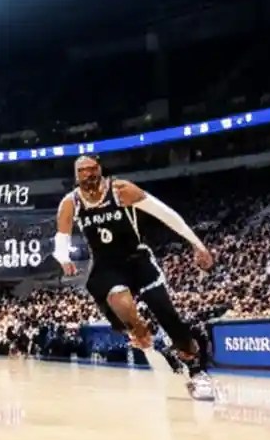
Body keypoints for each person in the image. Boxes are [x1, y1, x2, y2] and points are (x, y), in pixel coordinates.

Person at [53, 155, 216, 401]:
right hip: (107, 266)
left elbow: (166, 214)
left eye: (92, 169)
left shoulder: (122, 191)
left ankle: (195, 370)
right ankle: (144, 335)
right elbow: (61, 237)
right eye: (82, 171)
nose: (88, 174)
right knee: (119, 301)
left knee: (167, 314)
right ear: (76, 176)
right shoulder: (71, 202)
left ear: (99, 170)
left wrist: (197, 244)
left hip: (137, 260)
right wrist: (64, 258)